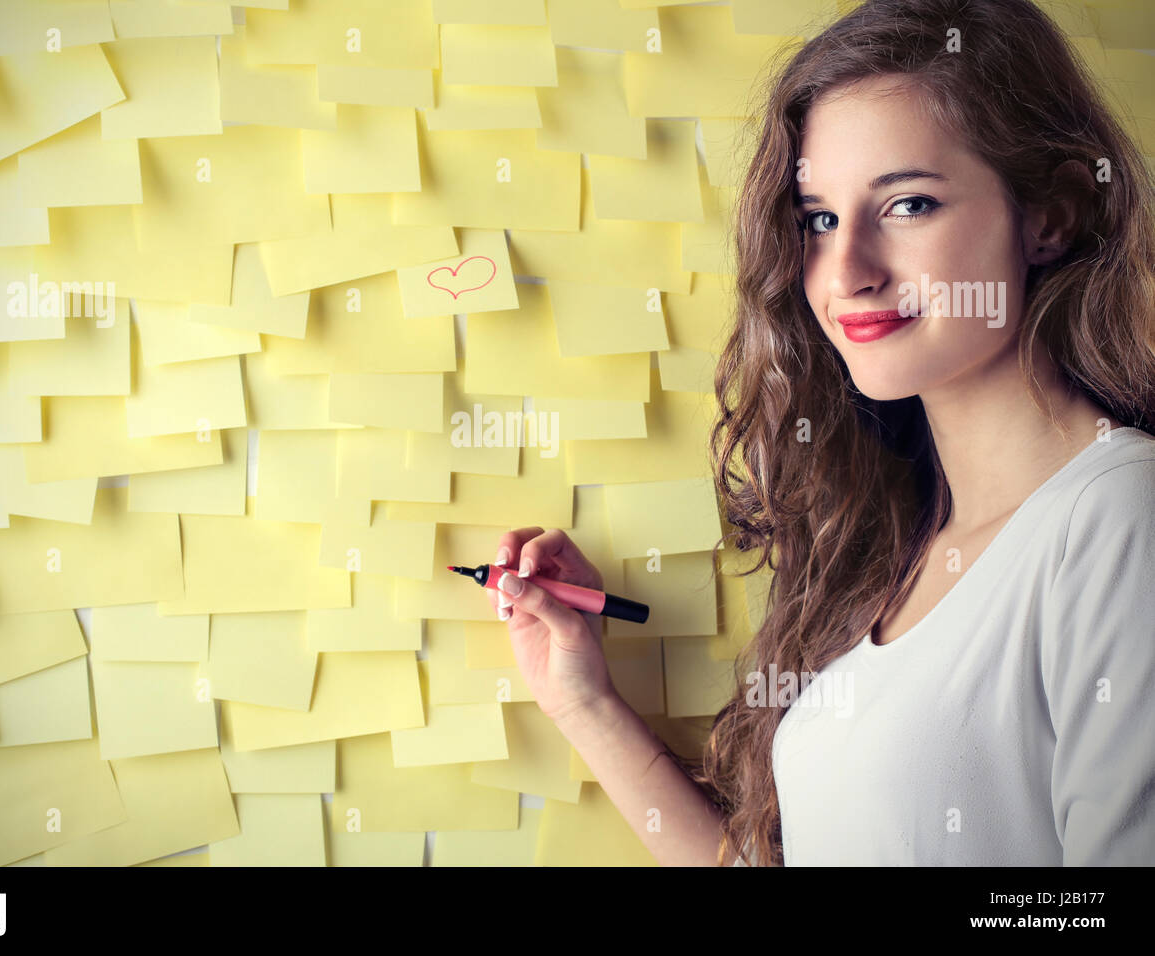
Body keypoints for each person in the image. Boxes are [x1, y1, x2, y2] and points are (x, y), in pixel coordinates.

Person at [488, 0, 1155, 866]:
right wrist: (582, 701)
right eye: (818, 220)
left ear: (1051, 215)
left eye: (909, 203)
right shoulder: (895, 545)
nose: (847, 273)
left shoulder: (1117, 515)